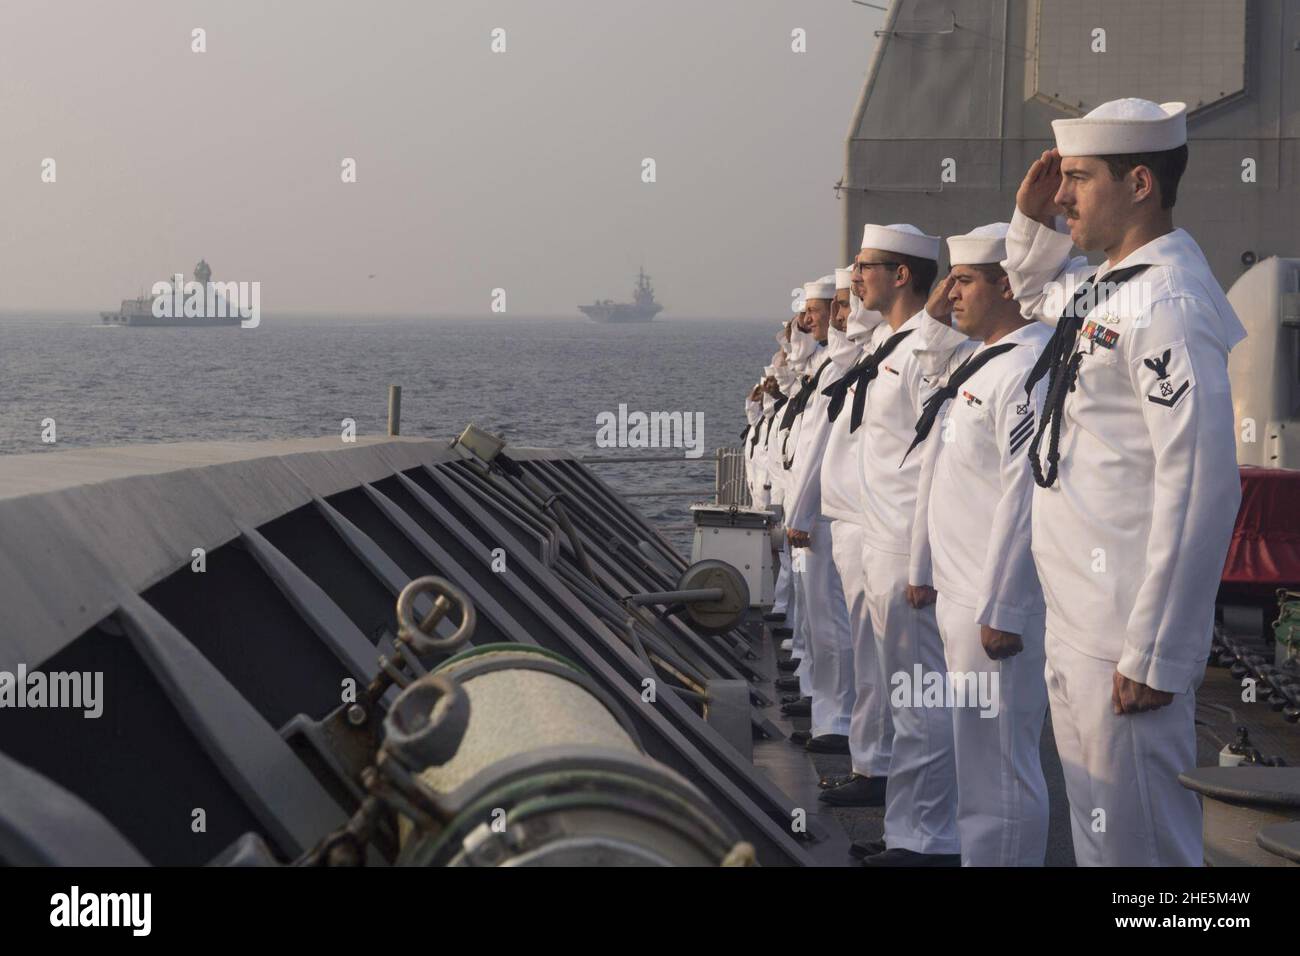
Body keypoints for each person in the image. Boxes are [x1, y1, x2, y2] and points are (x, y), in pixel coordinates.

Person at [1005, 97, 1245, 866]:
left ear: (1139, 182)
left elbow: (1199, 483)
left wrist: (1158, 650)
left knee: (1145, 859)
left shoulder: (1166, 305)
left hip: (1123, 637)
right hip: (1080, 624)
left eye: (1077, 178)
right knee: (1103, 845)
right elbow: (1038, 298)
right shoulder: (1114, 285)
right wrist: (1033, 222)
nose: (1063, 193)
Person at [905, 223, 1052, 866]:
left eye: (963, 280)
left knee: (1001, 775)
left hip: (992, 605)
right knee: (976, 771)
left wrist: (1003, 605)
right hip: (961, 597)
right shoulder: (981, 360)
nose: (948, 293)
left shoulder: (1025, 369)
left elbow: (1024, 495)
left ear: (1006, 284)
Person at [844, 223, 966, 866]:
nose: (854, 274)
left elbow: (932, 464)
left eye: (866, 265)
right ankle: (907, 832)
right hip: (878, 540)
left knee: (922, 699)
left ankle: (928, 838)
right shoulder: (893, 345)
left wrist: (921, 560)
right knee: (903, 696)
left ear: (901, 275)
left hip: (906, 548)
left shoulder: (929, 348)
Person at [783, 273, 857, 752]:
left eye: (819, 310)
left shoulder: (845, 365)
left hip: (831, 518)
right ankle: (825, 704)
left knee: (833, 623)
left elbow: (824, 446)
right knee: (819, 618)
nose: (807, 320)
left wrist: (803, 513)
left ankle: (839, 719)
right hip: (817, 514)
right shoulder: (831, 364)